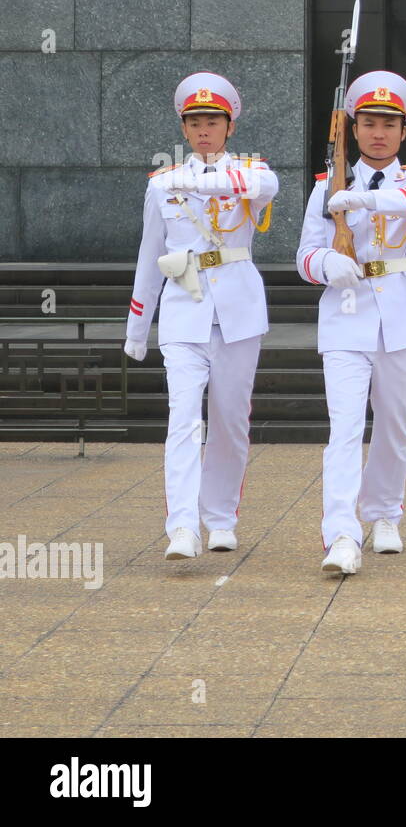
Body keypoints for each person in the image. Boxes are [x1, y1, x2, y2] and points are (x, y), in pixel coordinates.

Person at [296, 70, 406, 575]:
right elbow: (304, 255)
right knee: (344, 428)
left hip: (400, 316)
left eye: (388, 123)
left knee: (395, 427)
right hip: (345, 316)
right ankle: (340, 532)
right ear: (352, 129)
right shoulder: (326, 184)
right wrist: (326, 266)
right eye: (368, 122)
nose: (378, 132)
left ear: (403, 131)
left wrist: (363, 199)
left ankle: (384, 514)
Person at [124, 72, 278, 560]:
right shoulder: (161, 186)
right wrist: (136, 329)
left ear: (230, 127)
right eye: (195, 123)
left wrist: (189, 178)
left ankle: (221, 517)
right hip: (183, 310)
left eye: (213, 121)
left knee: (231, 420)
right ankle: (183, 526)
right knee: (184, 421)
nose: (204, 130)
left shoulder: (253, 174)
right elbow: (150, 257)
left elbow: (265, 186)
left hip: (237, 310)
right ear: (184, 129)